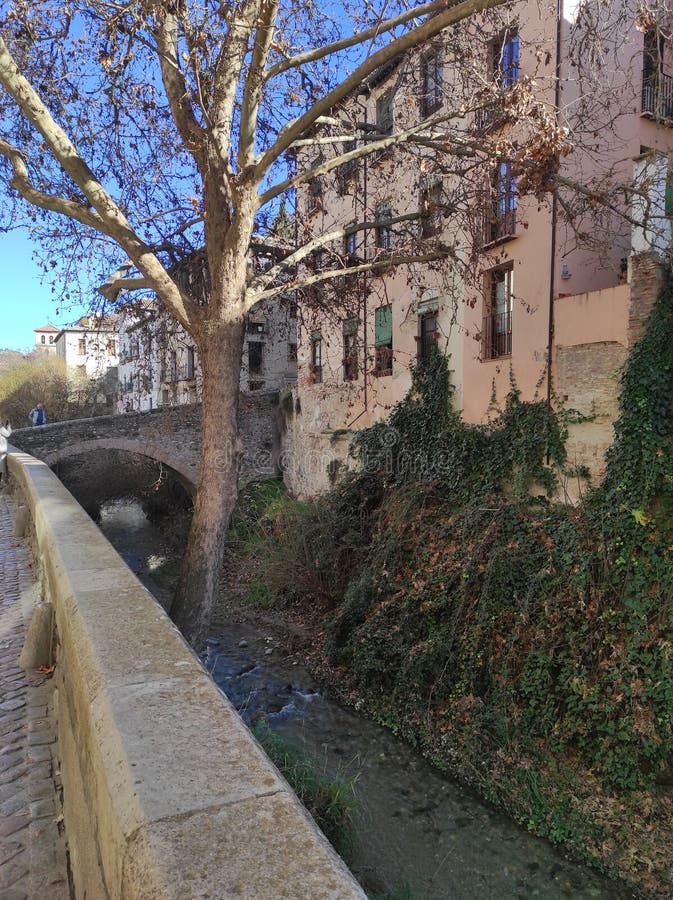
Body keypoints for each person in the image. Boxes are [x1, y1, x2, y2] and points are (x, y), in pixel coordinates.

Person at [0, 420, 11, 485]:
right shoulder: (1, 429)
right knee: (1, 467)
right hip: (1, 450)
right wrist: (9, 427)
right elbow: (8, 434)